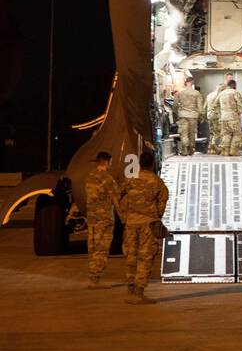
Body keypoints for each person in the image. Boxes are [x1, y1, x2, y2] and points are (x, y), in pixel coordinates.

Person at [117, 148, 169, 304]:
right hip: (148, 223)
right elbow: (163, 198)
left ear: (139, 163)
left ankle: (130, 289)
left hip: (131, 223)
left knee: (131, 255)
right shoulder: (156, 181)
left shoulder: (130, 179)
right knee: (145, 257)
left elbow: (118, 195)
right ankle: (139, 293)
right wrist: (157, 215)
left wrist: (125, 215)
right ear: (152, 164)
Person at [84, 149, 119, 288]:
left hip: (92, 219)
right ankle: (95, 279)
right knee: (102, 249)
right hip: (104, 220)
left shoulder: (90, 176)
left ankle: (93, 277)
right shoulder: (107, 179)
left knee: (93, 248)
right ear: (107, 162)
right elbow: (116, 199)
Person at [174, 75, 203, 156]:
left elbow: (175, 105)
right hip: (193, 116)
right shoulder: (197, 93)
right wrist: (201, 116)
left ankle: (184, 149)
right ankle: (191, 149)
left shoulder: (180, 93)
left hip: (183, 115)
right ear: (192, 83)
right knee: (192, 133)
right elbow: (200, 107)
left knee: (184, 133)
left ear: (185, 83)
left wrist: (177, 113)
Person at [219, 78, 242, 157]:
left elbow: (215, 105)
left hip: (223, 118)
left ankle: (225, 151)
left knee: (226, 134)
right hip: (233, 117)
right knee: (237, 134)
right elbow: (240, 106)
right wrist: (240, 112)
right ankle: (233, 151)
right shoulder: (235, 92)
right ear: (234, 85)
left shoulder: (221, 93)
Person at [205, 86, 223, 154]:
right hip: (216, 116)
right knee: (217, 133)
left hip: (209, 115)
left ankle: (210, 149)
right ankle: (215, 147)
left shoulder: (209, 95)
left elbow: (205, 106)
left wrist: (204, 116)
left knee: (212, 132)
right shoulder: (220, 95)